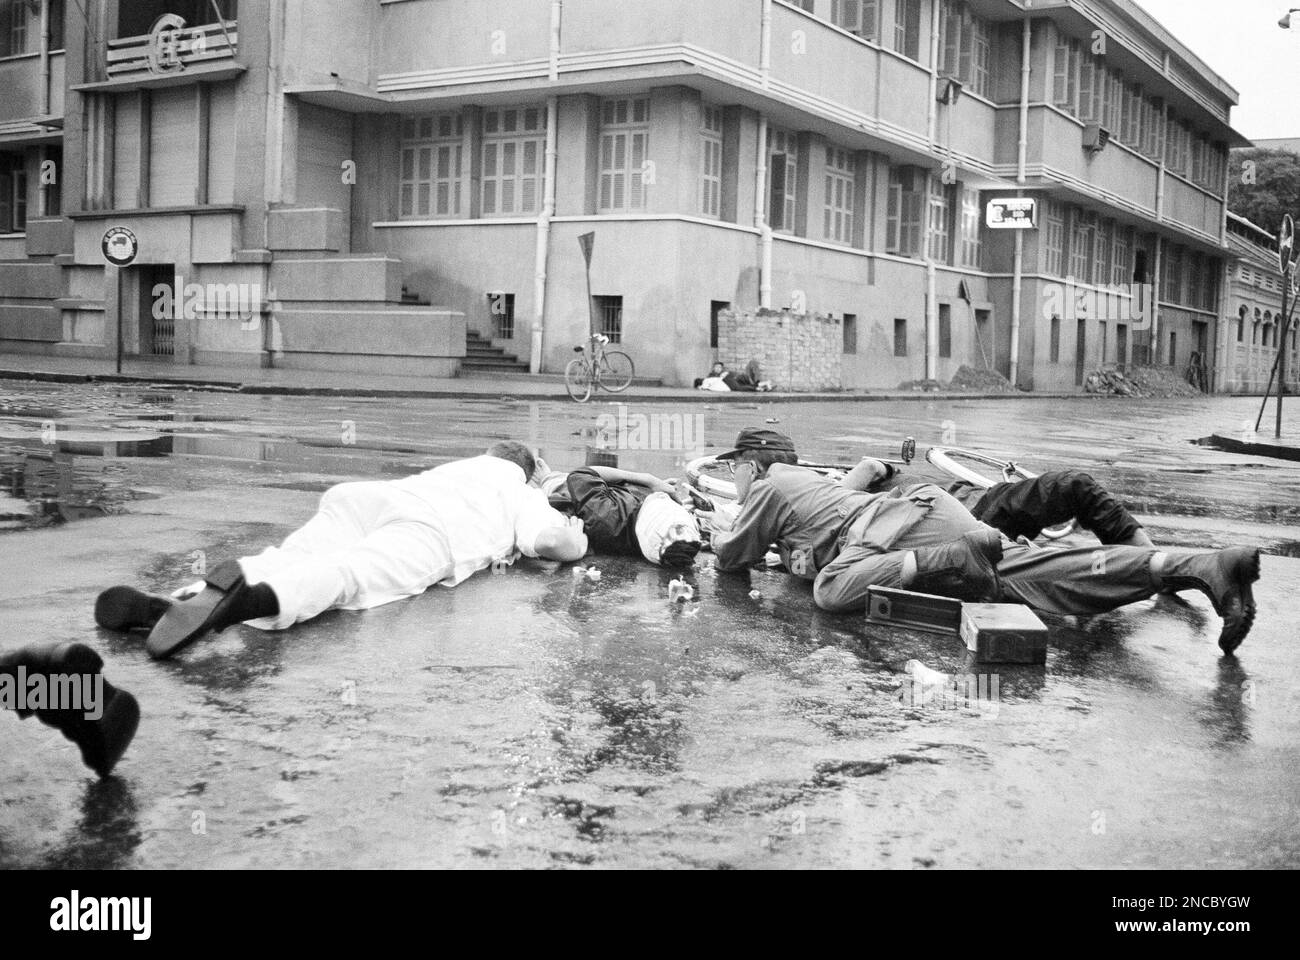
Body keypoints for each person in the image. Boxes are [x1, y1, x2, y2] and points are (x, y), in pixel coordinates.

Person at [701, 429, 1262, 655]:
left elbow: (731, 561)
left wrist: (718, 531)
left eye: (737, 469)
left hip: (893, 529)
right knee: (1056, 577)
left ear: (752, 465)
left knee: (832, 591)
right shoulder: (803, 488)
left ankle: (959, 557)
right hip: (924, 518)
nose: (737, 478)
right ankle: (1206, 566)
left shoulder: (769, 485)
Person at [95, 442, 586, 659]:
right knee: (349, 577)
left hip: (366, 496)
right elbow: (550, 542)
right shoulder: (524, 490)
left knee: (292, 553)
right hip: (432, 530)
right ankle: (245, 603)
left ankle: (190, 596)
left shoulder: (461, 466)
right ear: (527, 467)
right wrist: (577, 535)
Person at [1, 642, 140, 778]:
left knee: (72, 725)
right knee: (77, 729)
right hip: (69, 657)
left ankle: (101, 767)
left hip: (62, 666)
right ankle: (102, 768)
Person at [539, 462, 701, 568]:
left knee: (551, 481)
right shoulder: (638, 528)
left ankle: (545, 478)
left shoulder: (610, 516)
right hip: (612, 497)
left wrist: (648, 480)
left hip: (560, 491)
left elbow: (579, 475)